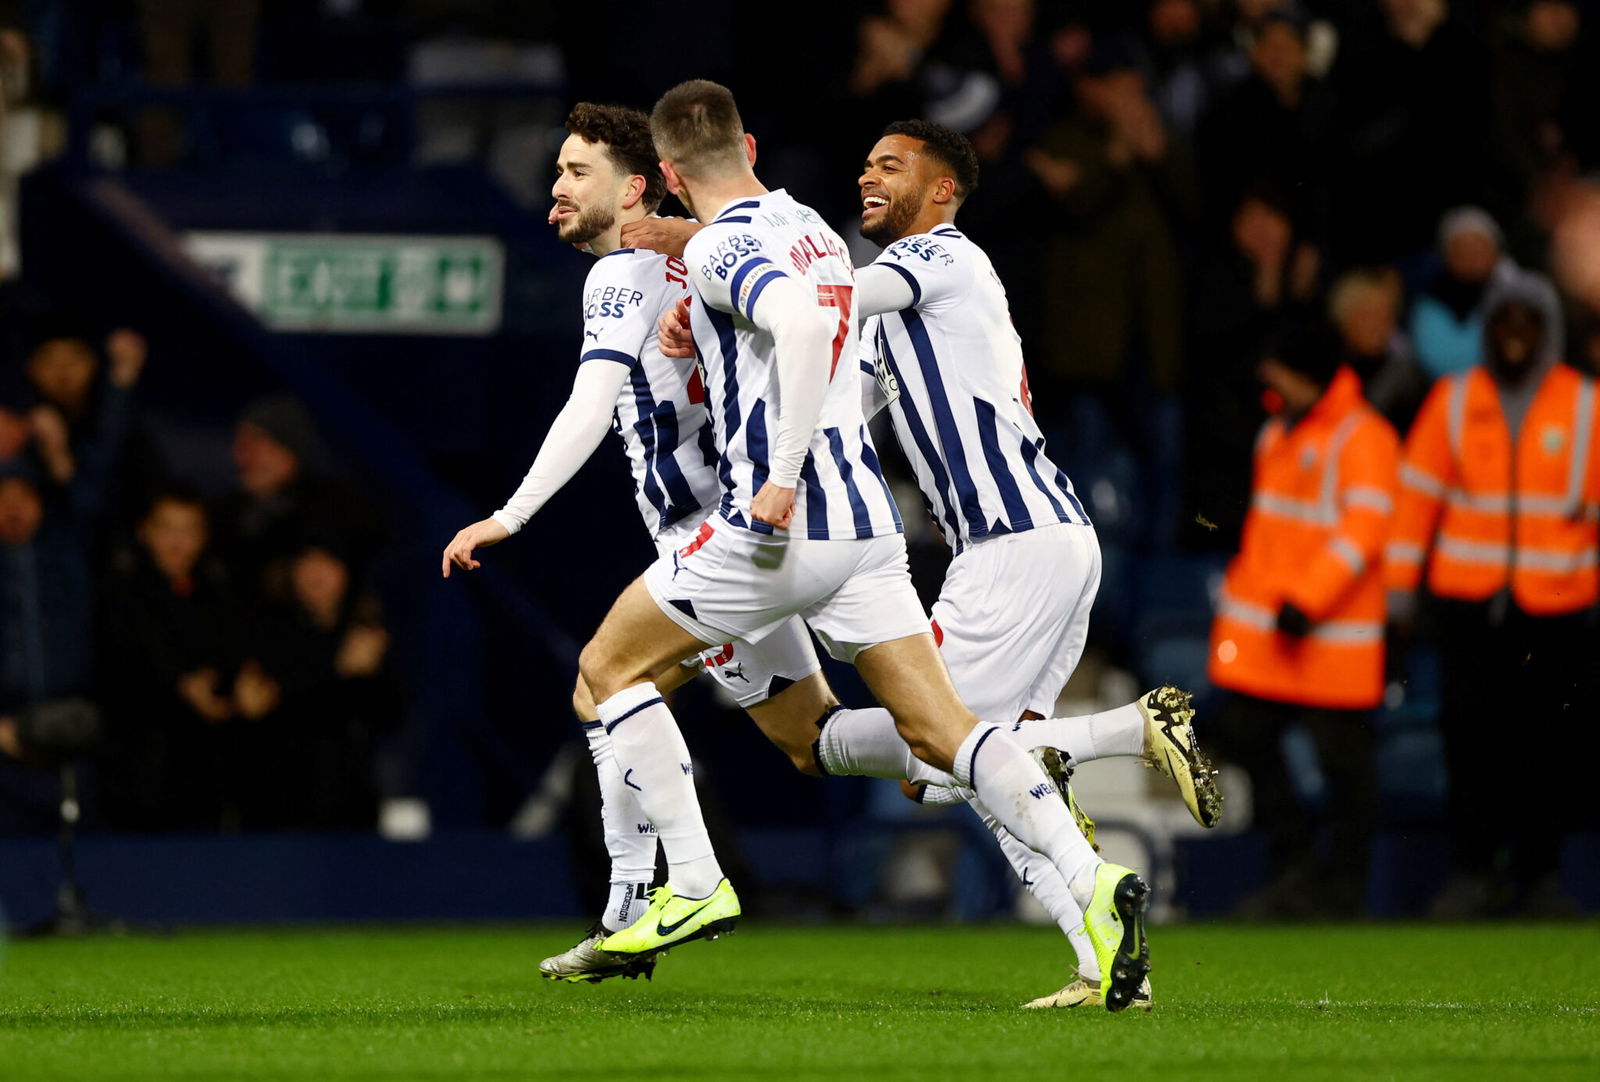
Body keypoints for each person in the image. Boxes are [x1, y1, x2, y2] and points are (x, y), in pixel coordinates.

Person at [573, 80, 1149, 1011]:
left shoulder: (924, 258)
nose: (870, 176)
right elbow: (833, 318)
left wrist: (775, 465)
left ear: (668, 175)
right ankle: (1095, 898)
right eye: (869, 163)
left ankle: (684, 886)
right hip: (909, 535)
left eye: (893, 166)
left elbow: (811, 305)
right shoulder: (834, 256)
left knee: (609, 671)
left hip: (859, 535)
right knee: (948, 743)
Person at [441, 102, 832, 984]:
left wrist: (511, 514)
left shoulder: (624, 272)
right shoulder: (716, 251)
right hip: (786, 518)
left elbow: (589, 404)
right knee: (818, 741)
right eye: (557, 172)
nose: (557, 188)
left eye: (579, 172)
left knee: (603, 677)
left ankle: (672, 890)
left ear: (637, 186)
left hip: (720, 534)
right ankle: (1030, 760)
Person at [1386, 271, 1597, 917]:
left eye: (1527, 321)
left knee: (1549, 748)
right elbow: (1414, 501)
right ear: (1487, 328)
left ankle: (1539, 878)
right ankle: (1473, 872)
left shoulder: (1585, 404)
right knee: (1469, 742)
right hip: (1467, 604)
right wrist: (1399, 592)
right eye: (1503, 320)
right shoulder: (1453, 399)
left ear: (1547, 331)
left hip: (1557, 607)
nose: (1514, 334)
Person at [1204, 331, 1398, 917]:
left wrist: (1309, 600)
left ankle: (1339, 890)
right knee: (1245, 736)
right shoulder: (1280, 431)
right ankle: (1297, 874)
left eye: (1278, 373)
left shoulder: (1362, 436)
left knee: (1346, 771)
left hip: (1329, 638)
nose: (1270, 385)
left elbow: (1363, 528)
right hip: (1276, 636)